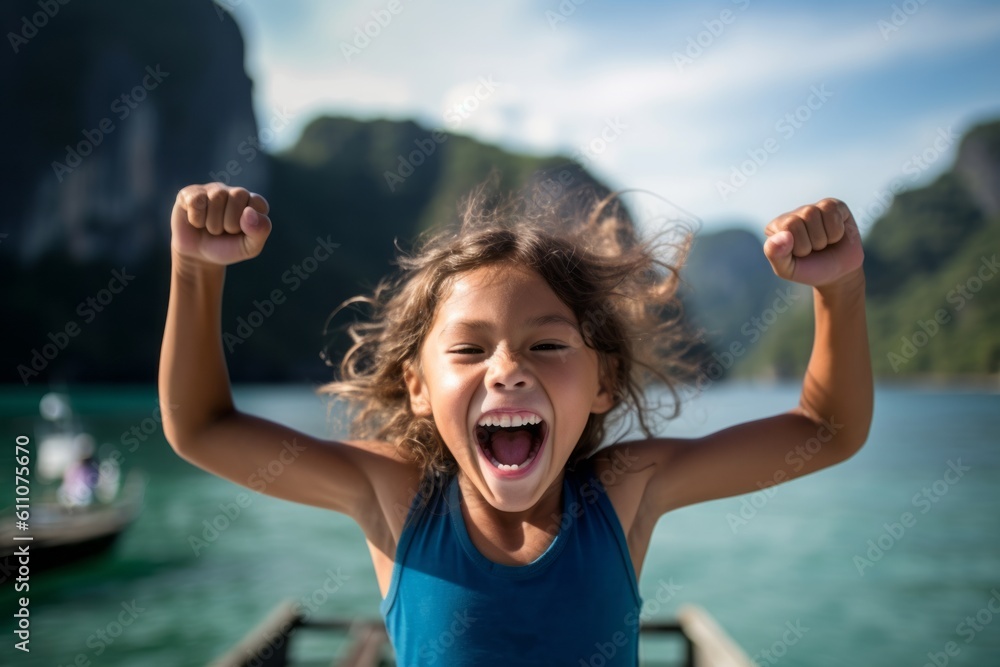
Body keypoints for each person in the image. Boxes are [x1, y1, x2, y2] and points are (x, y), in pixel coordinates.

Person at [160, 181, 872, 666]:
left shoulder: (626, 491)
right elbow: (201, 426)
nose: (507, 369)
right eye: (468, 349)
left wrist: (837, 289)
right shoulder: (395, 495)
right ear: (416, 385)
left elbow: (826, 426)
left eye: (549, 344)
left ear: (603, 382)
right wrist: (195, 270)